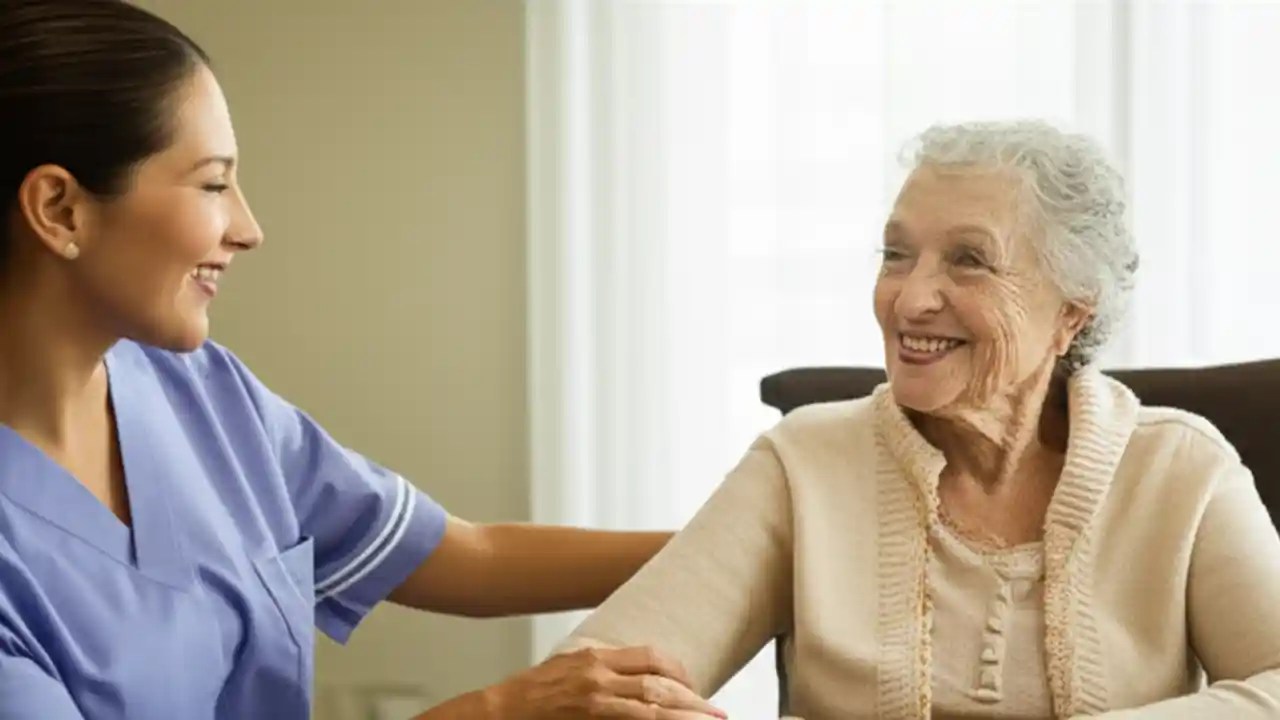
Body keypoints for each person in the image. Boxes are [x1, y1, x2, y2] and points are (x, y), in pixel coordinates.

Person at [0, 2, 725, 718]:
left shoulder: (201, 395)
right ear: (61, 209)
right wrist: (499, 712)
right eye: (214, 183)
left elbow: (472, 558)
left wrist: (767, 548)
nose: (248, 229)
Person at [555, 120, 1280, 718]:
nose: (910, 300)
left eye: (968, 261)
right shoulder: (803, 464)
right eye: (897, 255)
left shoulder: (1181, 470)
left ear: (1069, 314)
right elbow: (587, 685)